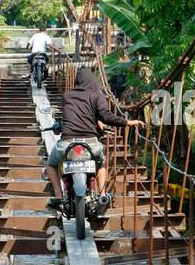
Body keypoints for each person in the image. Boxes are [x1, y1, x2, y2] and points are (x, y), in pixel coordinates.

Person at [46, 66, 144, 208]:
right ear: (93, 82)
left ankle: (59, 195)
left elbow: (74, 113)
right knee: (101, 163)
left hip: (67, 143)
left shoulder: (67, 96)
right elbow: (105, 116)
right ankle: (103, 195)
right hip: (91, 144)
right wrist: (128, 122)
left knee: (51, 164)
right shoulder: (97, 96)